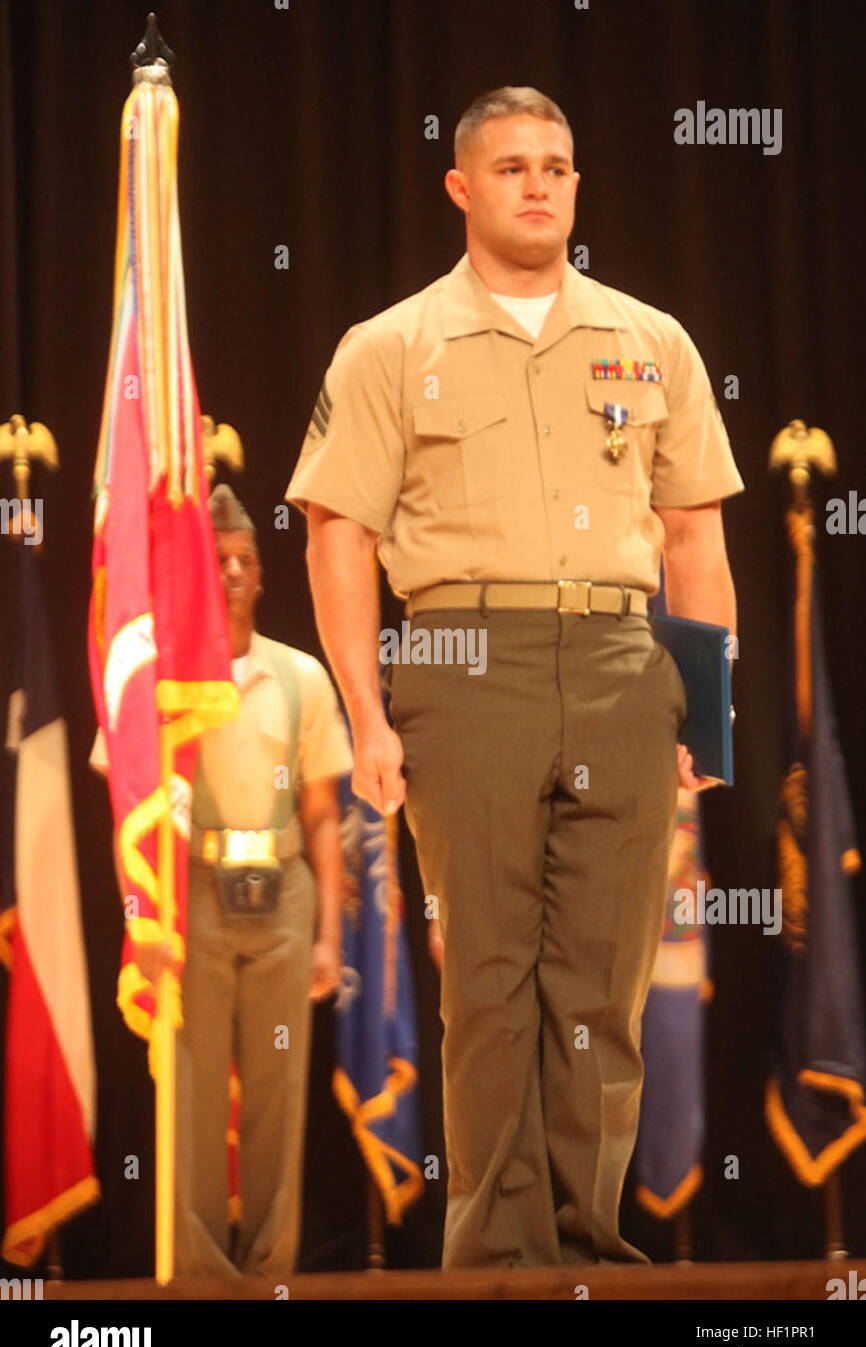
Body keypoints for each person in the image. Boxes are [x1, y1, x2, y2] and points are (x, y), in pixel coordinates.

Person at [284, 86, 743, 1270]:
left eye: (555, 166)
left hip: (620, 664)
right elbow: (335, 535)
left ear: (576, 186)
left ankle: (586, 1249)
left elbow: (692, 536)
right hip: (460, 664)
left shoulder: (650, 340)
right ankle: (496, 1259)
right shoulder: (390, 345)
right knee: (487, 983)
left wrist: (710, 707)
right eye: (510, 167)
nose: (537, 183)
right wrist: (364, 715)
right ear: (462, 188)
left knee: (601, 989)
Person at [92, 483, 353, 1278]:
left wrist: (327, 938)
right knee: (193, 1092)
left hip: (281, 892)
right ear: (197, 576)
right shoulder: (159, 682)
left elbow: (320, 817)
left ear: (263, 575)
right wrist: (145, 923)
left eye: (245, 560)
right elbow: (131, 808)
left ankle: (271, 1269)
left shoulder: (301, 675)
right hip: (193, 892)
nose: (233, 573)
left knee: (280, 1091)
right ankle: (200, 1276)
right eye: (218, 561)